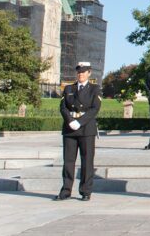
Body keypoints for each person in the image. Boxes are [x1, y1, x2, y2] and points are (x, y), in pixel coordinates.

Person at [54, 61, 101, 201]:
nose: (81, 74)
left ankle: (85, 191)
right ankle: (66, 190)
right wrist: (70, 121)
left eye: (84, 71)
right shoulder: (69, 89)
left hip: (86, 128)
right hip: (70, 128)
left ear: (89, 73)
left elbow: (95, 108)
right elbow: (63, 107)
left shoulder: (95, 88)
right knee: (68, 161)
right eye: (79, 71)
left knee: (87, 161)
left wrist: (80, 122)